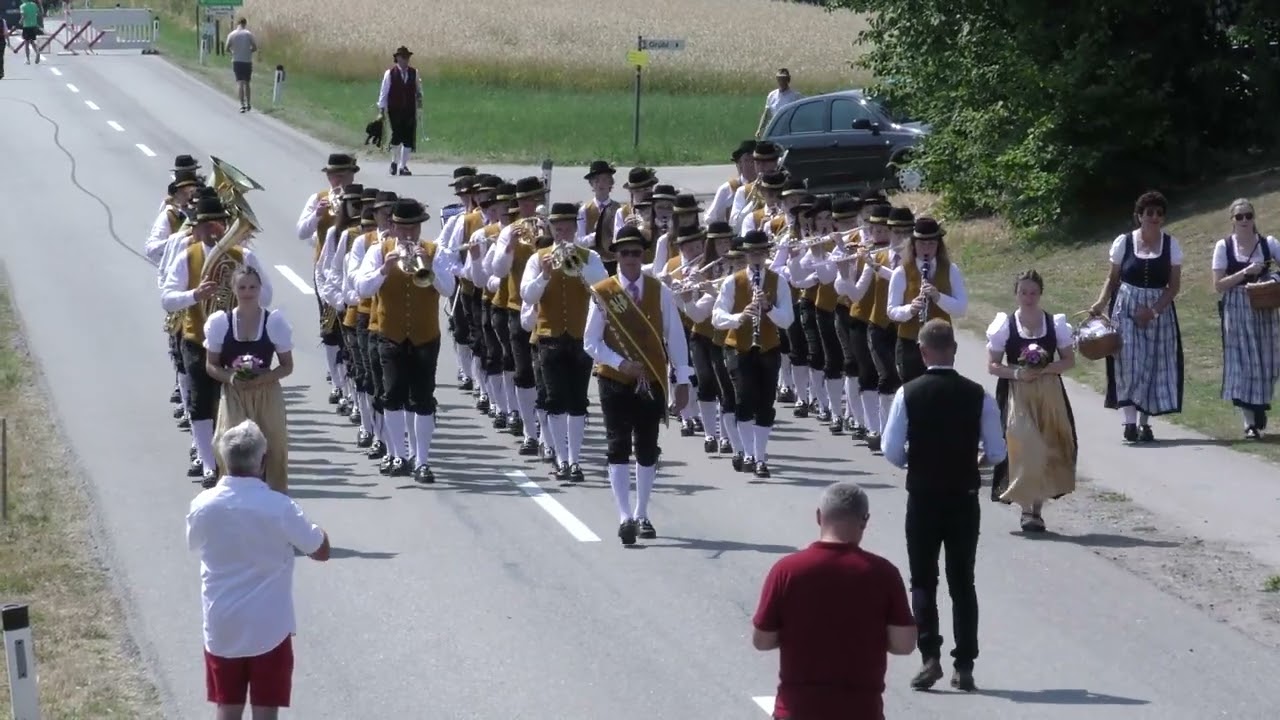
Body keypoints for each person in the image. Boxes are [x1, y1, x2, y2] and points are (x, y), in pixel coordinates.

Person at [881, 319, 1006, 692]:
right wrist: (975, 460)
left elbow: (891, 449)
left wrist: (915, 461)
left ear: (922, 352)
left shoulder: (908, 393)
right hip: (963, 496)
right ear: (954, 349)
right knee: (962, 580)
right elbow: (997, 451)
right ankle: (964, 664)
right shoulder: (978, 395)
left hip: (923, 495)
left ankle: (930, 656)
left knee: (923, 579)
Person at [186, 419, 331, 720]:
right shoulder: (280, 507)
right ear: (263, 461)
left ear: (223, 459)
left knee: (227, 707)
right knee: (266, 710)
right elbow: (320, 551)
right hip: (269, 627)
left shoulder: (202, 504)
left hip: (222, 623)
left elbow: (194, 542)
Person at [752, 482, 916, 720]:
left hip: (798, 711)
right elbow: (904, 644)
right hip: (861, 712)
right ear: (865, 520)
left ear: (819, 517)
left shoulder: (787, 570)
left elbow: (762, 641)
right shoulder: (884, 573)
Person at [583, 225, 691, 546]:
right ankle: (624, 515)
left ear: (643, 255)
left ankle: (642, 512)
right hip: (614, 379)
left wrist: (682, 378)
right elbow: (591, 342)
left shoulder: (660, 291)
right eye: (624, 253)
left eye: (635, 252)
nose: (630, 258)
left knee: (647, 447)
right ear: (616, 256)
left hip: (651, 378)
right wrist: (620, 363)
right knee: (617, 445)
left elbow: (675, 337)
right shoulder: (604, 292)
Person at [161, 196, 273, 485]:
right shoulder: (186, 256)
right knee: (200, 403)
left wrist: (243, 292)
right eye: (206, 224)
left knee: (237, 404)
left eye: (218, 223)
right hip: (197, 338)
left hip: (236, 341)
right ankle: (209, 464)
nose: (213, 229)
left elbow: (268, 296)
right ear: (196, 228)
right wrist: (195, 295)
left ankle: (237, 463)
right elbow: (167, 298)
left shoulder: (244, 257)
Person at [355, 199, 457, 482]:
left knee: (422, 399)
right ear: (393, 227)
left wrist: (430, 266)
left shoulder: (435, 251)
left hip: (425, 335)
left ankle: (421, 460)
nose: (409, 234)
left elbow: (449, 289)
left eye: (414, 228)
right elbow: (361, 288)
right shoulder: (379, 251)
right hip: (390, 335)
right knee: (392, 396)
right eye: (403, 229)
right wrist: (383, 270)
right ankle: (398, 454)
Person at [985, 270, 1078, 532]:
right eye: (1023, 292)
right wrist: (1018, 373)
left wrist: (1045, 369)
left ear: (1040, 294)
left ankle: (1036, 509)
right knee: (1025, 447)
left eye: (1033, 292)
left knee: (1048, 447)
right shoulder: (1005, 325)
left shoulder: (1054, 323)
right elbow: (992, 365)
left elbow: (1069, 361)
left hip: (1049, 392)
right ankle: (1026, 508)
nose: (1028, 297)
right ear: (1016, 294)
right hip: (1017, 392)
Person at [521, 201, 608, 480]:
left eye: (568, 230)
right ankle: (561, 459)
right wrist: (544, 276)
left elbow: (603, 286)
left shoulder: (590, 257)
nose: (563, 235)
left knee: (578, 401)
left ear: (575, 230)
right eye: (558, 230)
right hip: (549, 338)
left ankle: (575, 460)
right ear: (551, 230)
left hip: (580, 338)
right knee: (556, 400)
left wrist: (579, 264)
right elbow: (527, 295)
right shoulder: (538, 259)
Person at [1089, 190, 1185, 443]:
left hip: (1158, 311)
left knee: (1152, 366)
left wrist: (1153, 311)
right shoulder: (1124, 242)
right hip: (1126, 307)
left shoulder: (1171, 245)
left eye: (1159, 213)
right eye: (1149, 212)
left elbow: (1174, 286)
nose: (1154, 217)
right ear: (1139, 215)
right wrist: (1100, 303)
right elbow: (1112, 279)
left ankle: (1144, 424)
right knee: (1128, 363)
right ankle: (1129, 423)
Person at [204, 267, 295, 494]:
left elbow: (287, 366)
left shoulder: (273, 322)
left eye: (253, 287)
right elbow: (211, 365)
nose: (247, 292)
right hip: (234, 393)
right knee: (229, 445)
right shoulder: (221, 322)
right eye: (242, 287)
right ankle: (230, 496)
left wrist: (262, 378)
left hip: (266, 393)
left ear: (260, 289)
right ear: (233, 289)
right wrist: (231, 377)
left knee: (274, 447)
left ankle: (275, 497)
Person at [712, 229, 795, 478]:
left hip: (768, 347)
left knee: (765, 403)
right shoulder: (733, 281)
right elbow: (717, 317)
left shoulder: (778, 281)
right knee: (744, 398)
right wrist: (740, 317)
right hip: (738, 347)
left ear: (767, 254)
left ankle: (760, 456)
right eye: (752, 253)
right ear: (746, 255)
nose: (756, 257)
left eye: (761, 252)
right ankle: (749, 454)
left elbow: (787, 320)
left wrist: (768, 309)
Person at [1211, 197, 1280, 439]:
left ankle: (1259, 405)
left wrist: (1273, 279)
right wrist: (1245, 272)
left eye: (1248, 215)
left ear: (1253, 218)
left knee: (1268, 361)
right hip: (1237, 308)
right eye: (1239, 216)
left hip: (1264, 306)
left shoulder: (1268, 243)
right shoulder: (1224, 246)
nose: (1244, 220)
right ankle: (1249, 423)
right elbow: (1218, 285)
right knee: (1243, 364)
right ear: (1232, 220)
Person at [886, 216, 969, 385]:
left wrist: (938, 297)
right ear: (913, 245)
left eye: (932, 243)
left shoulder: (951, 269)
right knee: (913, 391)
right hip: (910, 343)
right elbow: (891, 310)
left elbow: (961, 309)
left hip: (942, 343)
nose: (927, 248)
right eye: (922, 244)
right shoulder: (901, 272)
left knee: (940, 390)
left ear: (939, 245)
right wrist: (910, 309)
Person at [376, 46, 423, 177]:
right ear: (397, 58)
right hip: (395, 109)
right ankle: (394, 162)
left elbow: (418, 89)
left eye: (407, 57)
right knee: (397, 135)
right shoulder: (390, 73)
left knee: (408, 138)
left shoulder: (414, 73)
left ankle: (403, 166)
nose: (405, 60)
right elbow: (384, 92)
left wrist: (419, 99)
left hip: (409, 109)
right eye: (403, 57)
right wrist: (381, 110)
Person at [756, 68, 803, 138]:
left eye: (784, 79)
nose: (781, 82)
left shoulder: (796, 96)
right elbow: (766, 114)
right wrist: (759, 129)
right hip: (774, 129)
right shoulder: (771, 95)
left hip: (789, 131)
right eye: (779, 79)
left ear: (788, 80)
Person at [224, 18, 258, 113]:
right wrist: (248, 51)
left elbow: (226, 48)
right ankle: (248, 103)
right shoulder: (248, 34)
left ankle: (242, 104)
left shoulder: (232, 34)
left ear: (237, 23)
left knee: (240, 83)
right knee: (247, 83)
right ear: (245, 24)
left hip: (237, 60)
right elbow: (255, 47)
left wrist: (233, 52)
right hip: (247, 61)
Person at [18, 0, 40, 66]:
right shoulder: (34, 5)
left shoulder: (22, 6)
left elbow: (23, 15)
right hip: (34, 25)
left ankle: (28, 60)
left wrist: (20, 21)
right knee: (32, 41)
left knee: (26, 43)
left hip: (26, 26)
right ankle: (37, 52)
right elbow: (37, 13)